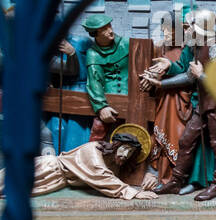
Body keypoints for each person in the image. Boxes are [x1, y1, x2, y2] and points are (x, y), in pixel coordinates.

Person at [146, 8, 216, 201]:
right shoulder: (195, 44)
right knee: (186, 140)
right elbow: (188, 76)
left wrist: (200, 75)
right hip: (203, 102)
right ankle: (176, 181)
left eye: (191, 26)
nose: (187, 29)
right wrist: (161, 84)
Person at [2, 123, 159, 200]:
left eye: (130, 153)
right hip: (48, 168)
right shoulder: (94, 150)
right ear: (116, 144)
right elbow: (99, 174)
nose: (125, 154)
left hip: (58, 180)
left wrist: (150, 175)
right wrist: (134, 193)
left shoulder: (115, 164)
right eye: (124, 148)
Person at [82, 14, 130, 142]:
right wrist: (101, 107)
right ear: (95, 33)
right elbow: (94, 81)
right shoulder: (93, 53)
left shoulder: (126, 43)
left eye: (110, 26)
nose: (110, 31)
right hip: (109, 101)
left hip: (132, 98)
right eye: (104, 29)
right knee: (98, 133)